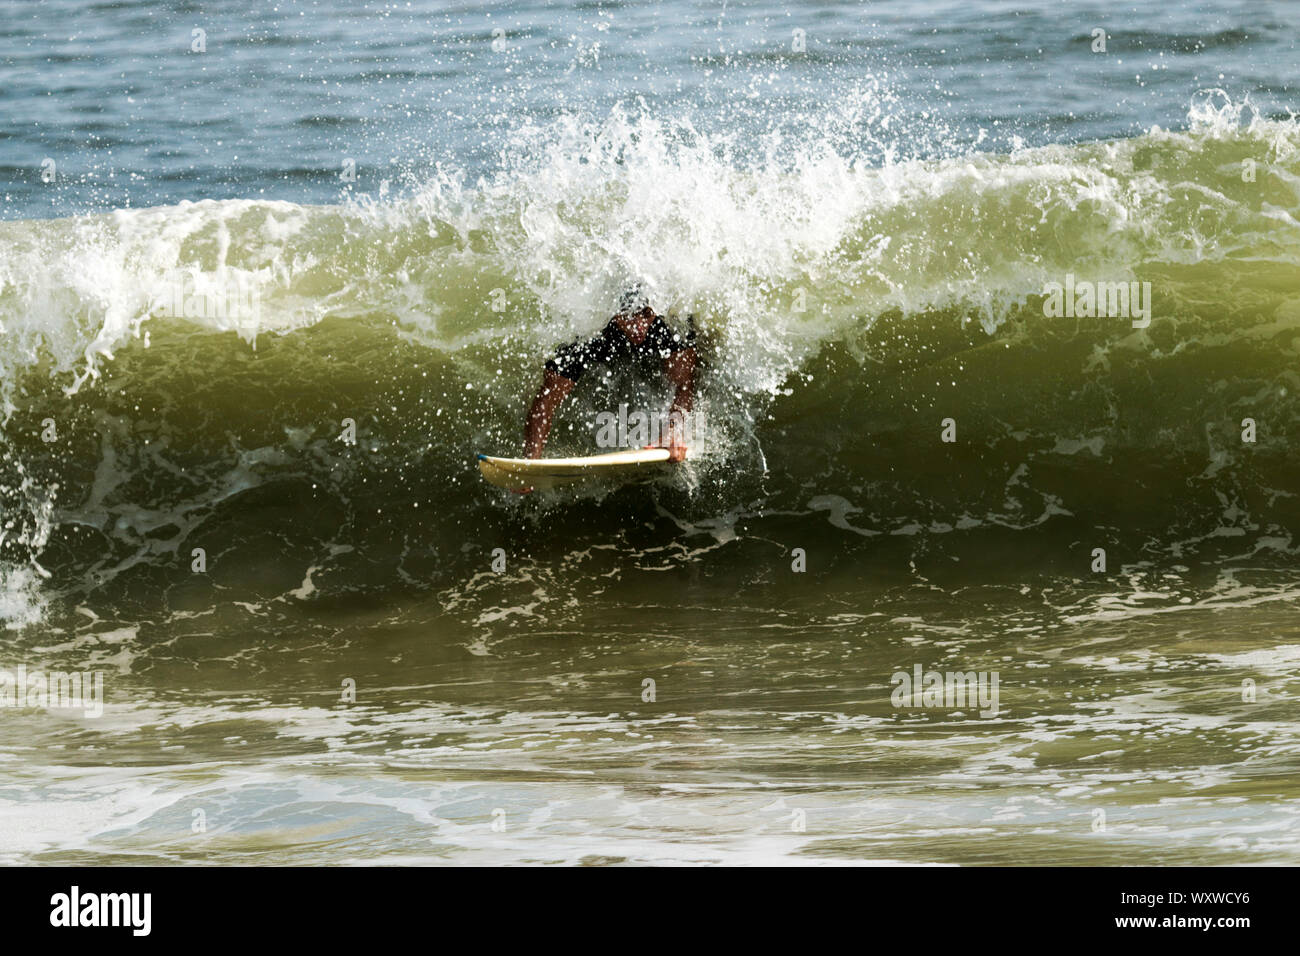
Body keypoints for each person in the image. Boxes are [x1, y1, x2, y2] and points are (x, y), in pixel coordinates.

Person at [524, 287, 697, 461]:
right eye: (628, 316)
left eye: (646, 315)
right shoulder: (592, 329)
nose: (639, 326)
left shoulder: (670, 324)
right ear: (614, 314)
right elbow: (546, 398)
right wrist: (531, 459)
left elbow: (684, 385)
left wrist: (673, 433)